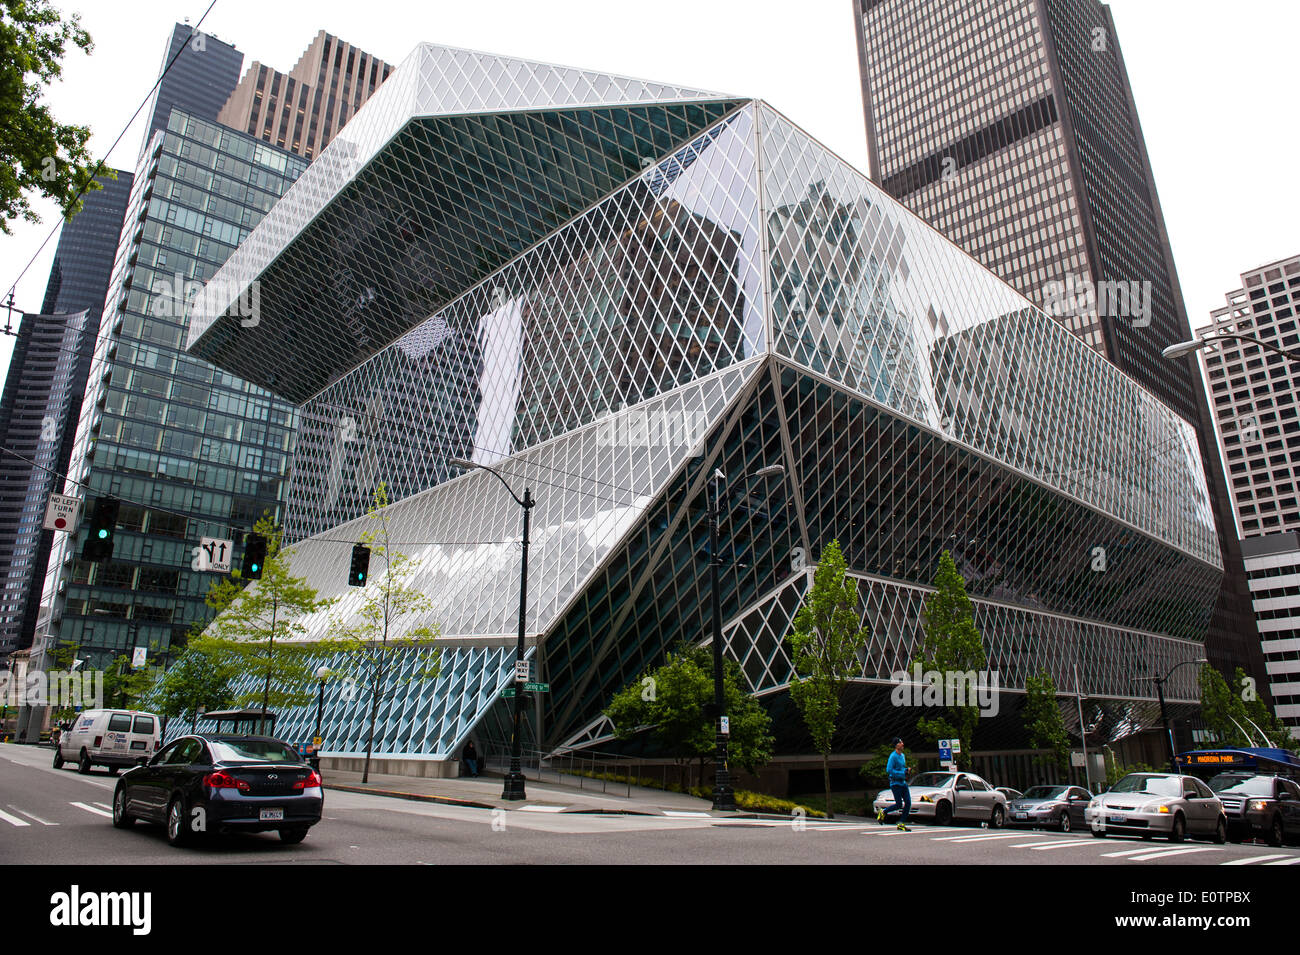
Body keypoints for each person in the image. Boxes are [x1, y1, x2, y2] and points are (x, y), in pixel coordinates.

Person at [878, 737, 911, 830]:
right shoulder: (893, 756)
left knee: (908, 803)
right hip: (895, 783)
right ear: (896, 745)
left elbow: (901, 768)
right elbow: (889, 770)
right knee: (899, 804)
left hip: (903, 782)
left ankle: (901, 822)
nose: (903, 744)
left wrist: (906, 770)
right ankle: (884, 812)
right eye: (901, 742)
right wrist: (902, 773)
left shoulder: (903, 756)